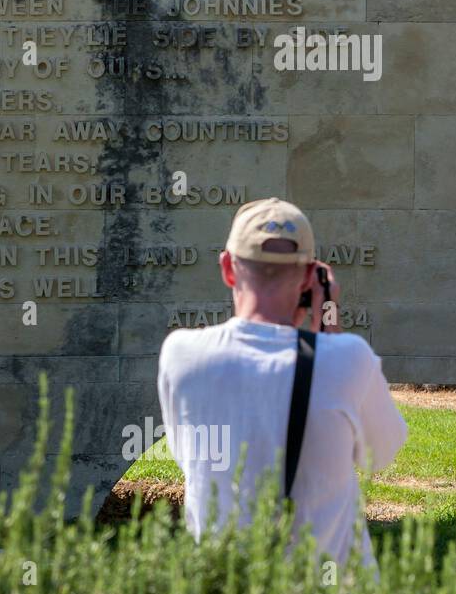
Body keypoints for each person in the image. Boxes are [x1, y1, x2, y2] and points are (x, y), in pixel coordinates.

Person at [156, 197, 408, 567]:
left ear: (228, 268)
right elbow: (382, 454)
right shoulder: (347, 358)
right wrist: (329, 324)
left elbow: (188, 459)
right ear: (310, 277)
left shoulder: (181, 355)